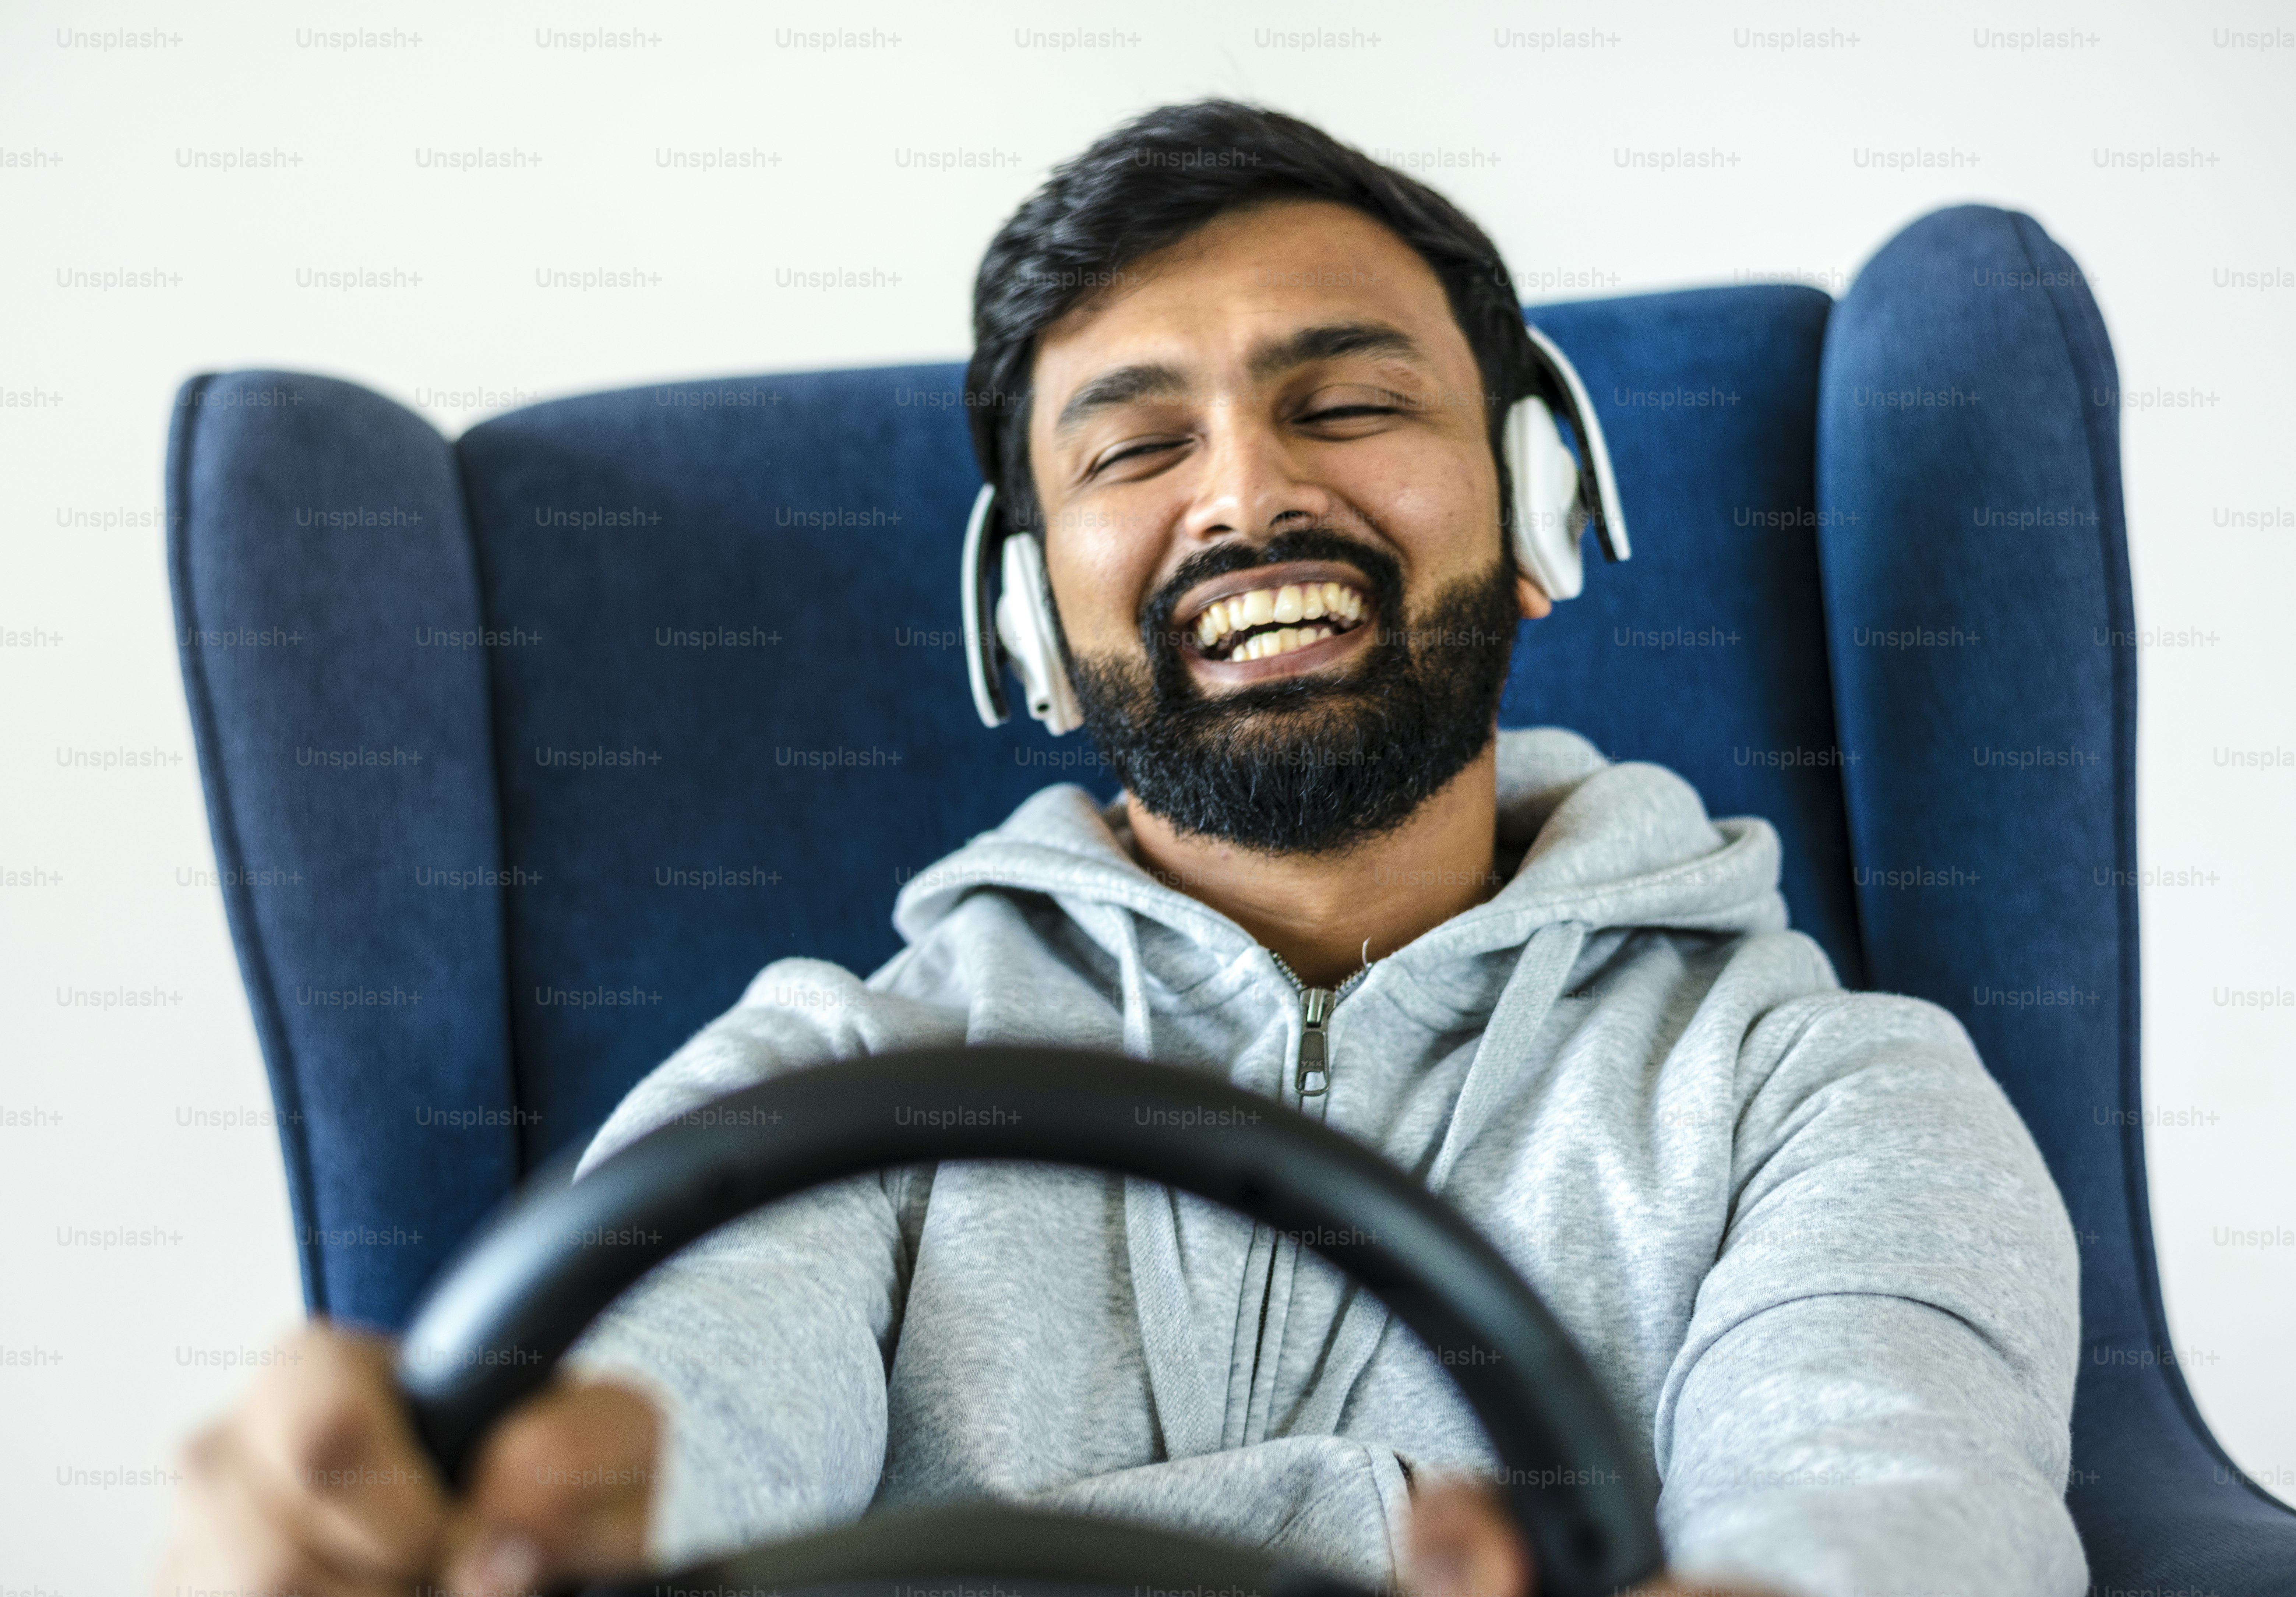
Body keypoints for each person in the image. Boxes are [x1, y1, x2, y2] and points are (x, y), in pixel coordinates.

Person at [156, 101, 2085, 1597]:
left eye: (1349, 403)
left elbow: (1889, 1492)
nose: (1249, 492)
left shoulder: (1830, 1092)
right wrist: (477, 1512)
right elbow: (660, 1400)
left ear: (1536, 513)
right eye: (1135, 448)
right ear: (1031, 627)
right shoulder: (832, 1075)